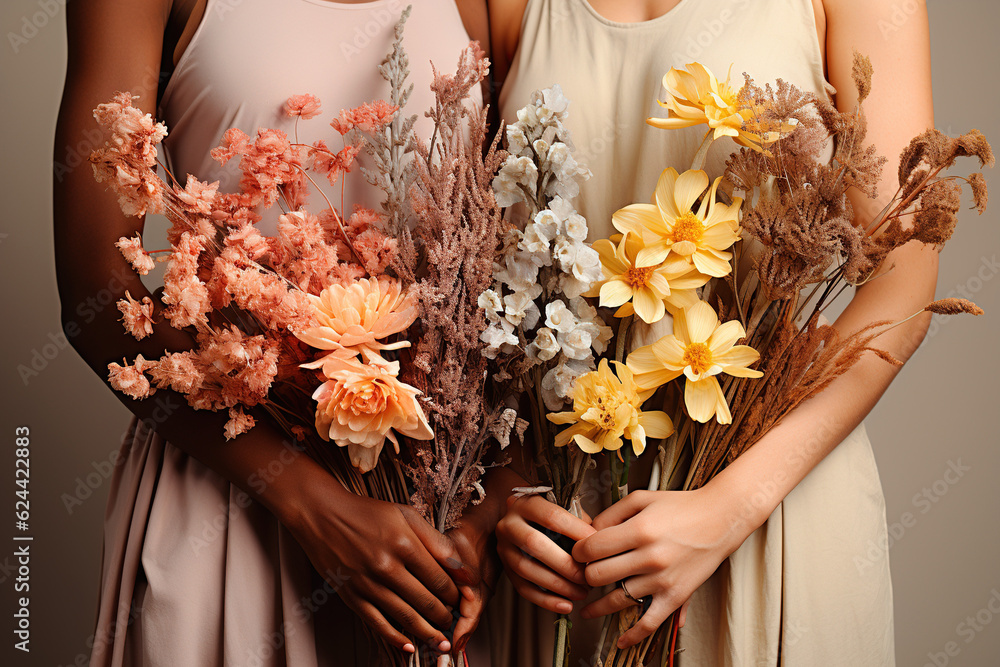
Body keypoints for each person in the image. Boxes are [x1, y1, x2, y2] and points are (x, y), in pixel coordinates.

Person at [53, 0, 521, 664]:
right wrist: (312, 505)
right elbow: (96, 295)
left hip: (428, 525)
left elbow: (513, 254)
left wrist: (487, 513)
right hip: (232, 497)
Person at [488, 0, 935, 664]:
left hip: (767, 499)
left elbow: (905, 281)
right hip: (565, 528)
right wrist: (501, 484)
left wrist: (727, 508)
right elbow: (470, 259)